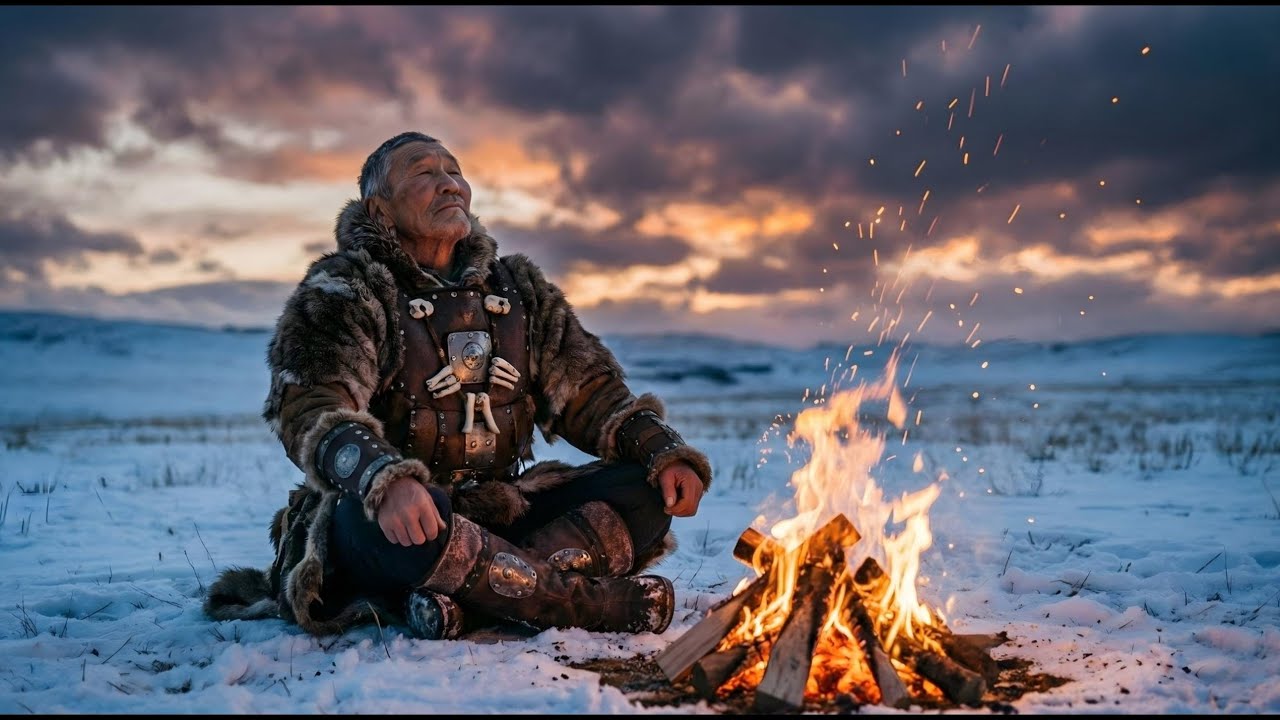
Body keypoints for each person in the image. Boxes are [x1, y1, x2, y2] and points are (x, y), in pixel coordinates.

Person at [204, 132, 712, 640]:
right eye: (424, 173)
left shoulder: (519, 289)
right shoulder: (344, 288)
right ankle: (586, 606)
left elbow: (587, 391)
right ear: (380, 209)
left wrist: (661, 450)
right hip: (396, 521)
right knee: (379, 522)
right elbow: (312, 407)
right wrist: (387, 481)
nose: (450, 184)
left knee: (643, 491)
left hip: (501, 508)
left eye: (454, 171)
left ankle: (467, 603)